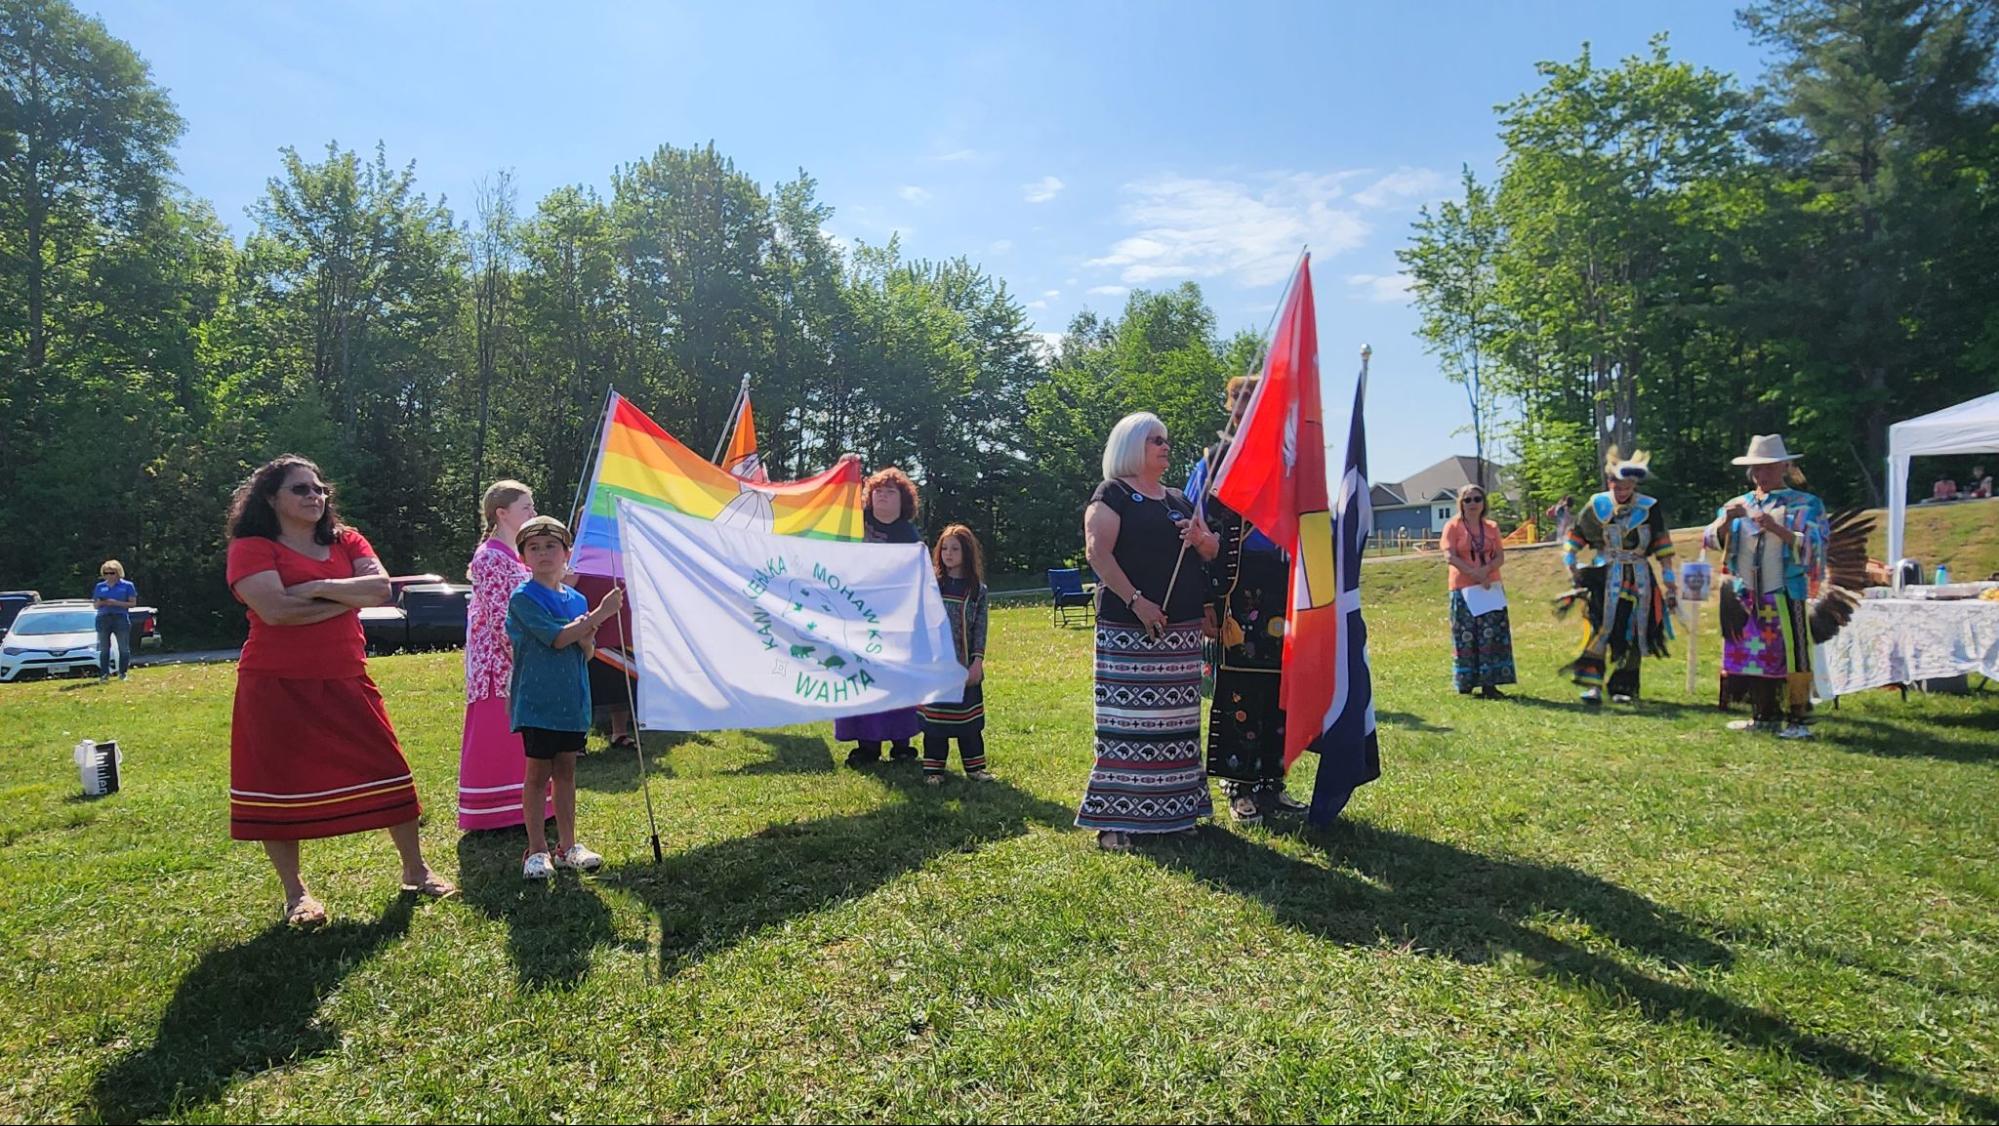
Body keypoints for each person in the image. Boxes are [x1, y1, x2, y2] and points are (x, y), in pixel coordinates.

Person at [224, 455, 455, 928]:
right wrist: (341, 598)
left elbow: (381, 591)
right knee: (278, 785)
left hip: (346, 674)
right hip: (275, 682)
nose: (315, 497)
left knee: (389, 768)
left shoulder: (346, 540)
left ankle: (416, 869)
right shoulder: (252, 546)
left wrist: (317, 587)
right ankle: (296, 895)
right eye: (301, 489)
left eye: (319, 489)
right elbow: (276, 613)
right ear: (272, 498)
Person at [1076, 411, 1220, 851]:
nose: (1165, 445)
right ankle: (1118, 822)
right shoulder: (1113, 493)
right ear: (1130, 445)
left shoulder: (1179, 499)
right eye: (1155, 439)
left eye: (1166, 439)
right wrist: (1137, 602)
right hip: (1128, 629)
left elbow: (1212, 550)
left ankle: (1174, 814)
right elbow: (1097, 552)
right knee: (1128, 726)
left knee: (1174, 725)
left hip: (1180, 632)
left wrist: (1198, 538)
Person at [1188, 376, 1307, 825]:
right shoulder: (1214, 461)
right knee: (1241, 686)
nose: (1247, 408)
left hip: (1284, 587)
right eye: (1240, 400)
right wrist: (1206, 601)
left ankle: (1272, 783)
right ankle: (1239, 784)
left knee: (1279, 690)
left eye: (1255, 400)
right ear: (1229, 407)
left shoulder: (1290, 459)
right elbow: (1193, 525)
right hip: (1234, 588)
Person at [505, 515, 623, 879]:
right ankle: (537, 849)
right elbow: (556, 638)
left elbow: (584, 651)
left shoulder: (576, 599)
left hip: (572, 699)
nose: (543, 554)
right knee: (538, 773)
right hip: (538, 701)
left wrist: (588, 629)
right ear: (524, 556)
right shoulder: (523, 598)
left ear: (566, 553)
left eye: (551, 547)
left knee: (567, 771)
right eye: (534, 548)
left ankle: (568, 844)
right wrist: (600, 615)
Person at [1703, 434, 1830, 739]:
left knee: (1793, 653)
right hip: (1744, 595)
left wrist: (1777, 529)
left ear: (1785, 467)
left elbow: (1817, 546)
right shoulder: (1738, 504)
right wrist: (1724, 523)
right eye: (1757, 469)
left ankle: (1798, 718)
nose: (1763, 474)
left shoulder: (1806, 504)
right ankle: (1763, 714)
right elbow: (1709, 540)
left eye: (1770, 468)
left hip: (1785, 593)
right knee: (1754, 654)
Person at [457, 480, 556, 831]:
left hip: (523, 655)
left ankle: (532, 805)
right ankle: (496, 809)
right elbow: (502, 617)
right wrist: (524, 655)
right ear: (502, 513)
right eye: (526, 507)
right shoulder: (489, 557)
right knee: (501, 731)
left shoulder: (515, 554)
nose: (533, 512)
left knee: (525, 735)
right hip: (499, 663)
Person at [1561, 447, 1678, 706]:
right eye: (1617, 485)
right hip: (1605, 573)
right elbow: (1577, 534)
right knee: (1598, 626)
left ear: (1634, 484)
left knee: (1634, 629)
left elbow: (1661, 543)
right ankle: (1592, 684)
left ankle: (1624, 685)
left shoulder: (1649, 507)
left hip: (1638, 577)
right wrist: (1570, 558)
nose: (1621, 491)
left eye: (1627, 486)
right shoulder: (1598, 505)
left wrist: (1669, 576)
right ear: (1609, 481)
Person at [836, 467, 925, 767]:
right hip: (858, 617)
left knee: (895, 682)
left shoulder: (909, 536)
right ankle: (867, 746)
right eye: (878, 491)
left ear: (904, 501)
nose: (884, 496)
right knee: (863, 681)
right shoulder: (853, 524)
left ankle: (901, 745)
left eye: (891, 492)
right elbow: (832, 504)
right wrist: (845, 467)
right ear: (869, 497)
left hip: (895, 621)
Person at [919, 524, 994, 785]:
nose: (948, 554)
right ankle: (934, 770)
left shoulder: (977, 591)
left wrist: (977, 662)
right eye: (944, 549)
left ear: (967, 552)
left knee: (969, 722)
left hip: (964, 667)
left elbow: (980, 629)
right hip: (936, 667)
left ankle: (975, 768)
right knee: (935, 723)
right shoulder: (931, 587)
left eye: (955, 549)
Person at [1443, 484, 1516, 699]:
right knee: (1465, 636)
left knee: (1491, 635)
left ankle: (1490, 683)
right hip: (1463, 589)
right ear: (1461, 504)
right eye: (1468, 500)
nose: (1473, 504)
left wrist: (1485, 572)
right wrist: (1474, 574)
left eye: (1477, 499)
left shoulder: (1492, 527)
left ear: (1484, 503)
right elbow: (1450, 556)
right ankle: (1466, 681)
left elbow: (1500, 556)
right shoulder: (1453, 526)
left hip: (1489, 588)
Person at [91, 559, 138, 682]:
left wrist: (116, 603)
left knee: (123, 647)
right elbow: (95, 605)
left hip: (120, 617)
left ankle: (123, 673)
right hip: (103, 617)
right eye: (106, 573)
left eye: (112, 573)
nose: (109, 576)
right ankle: (104, 674)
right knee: (104, 648)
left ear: (118, 573)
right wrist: (102, 602)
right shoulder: (100, 586)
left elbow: (132, 603)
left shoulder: (127, 586)